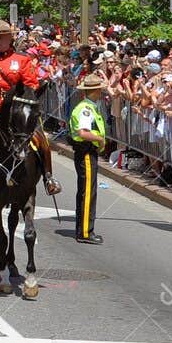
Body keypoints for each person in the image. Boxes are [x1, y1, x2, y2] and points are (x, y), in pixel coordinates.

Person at [0, 19, 60, 199]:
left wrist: (20, 104)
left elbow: (31, 86)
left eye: (1, 36)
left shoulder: (21, 60)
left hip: (17, 112)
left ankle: (48, 178)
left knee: (42, 140)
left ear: (10, 39)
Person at [69, 73, 107, 244]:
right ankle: (85, 231)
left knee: (87, 192)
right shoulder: (86, 109)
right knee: (88, 193)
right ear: (96, 90)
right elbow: (83, 133)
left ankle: (83, 229)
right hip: (86, 152)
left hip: (87, 152)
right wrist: (100, 139)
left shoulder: (89, 106)